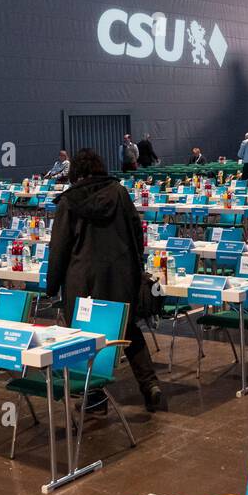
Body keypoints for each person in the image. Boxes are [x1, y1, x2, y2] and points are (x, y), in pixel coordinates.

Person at [46, 149, 164, 411]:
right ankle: (150, 385)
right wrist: (137, 266)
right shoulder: (119, 193)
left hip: (82, 278)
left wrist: (51, 285)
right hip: (119, 275)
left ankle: (95, 397)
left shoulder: (68, 202)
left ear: (75, 172)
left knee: (85, 337)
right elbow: (137, 232)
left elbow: (59, 247)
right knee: (128, 329)